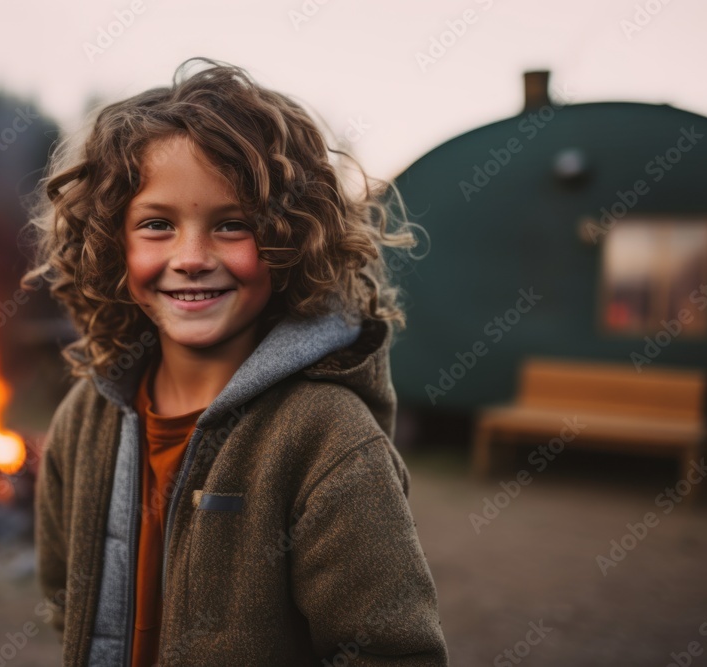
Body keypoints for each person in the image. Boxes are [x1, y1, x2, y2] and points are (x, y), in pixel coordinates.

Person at [24, 56, 447, 666]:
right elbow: (68, 601)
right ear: (112, 243)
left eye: (231, 226)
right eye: (157, 225)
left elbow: (391, 653)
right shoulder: (83, 419)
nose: (192, 257)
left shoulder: (328, 440)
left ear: (291, 240)